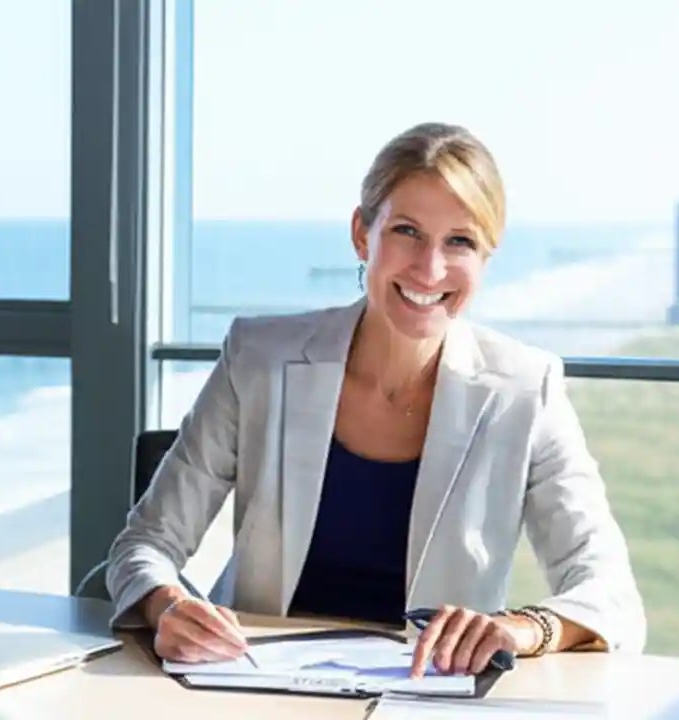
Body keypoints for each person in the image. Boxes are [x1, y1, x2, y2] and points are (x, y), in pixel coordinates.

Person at [105, 122, 646, 678]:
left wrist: (520, 627)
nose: (430, 269)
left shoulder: (526, 390)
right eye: (407, 231)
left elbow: (610, 592)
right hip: (249, 686)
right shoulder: (258, 358)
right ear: (363, 234)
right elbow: (143, 544)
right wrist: (168, 605)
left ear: (486, 257)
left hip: (426, 700)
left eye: (460, 241)